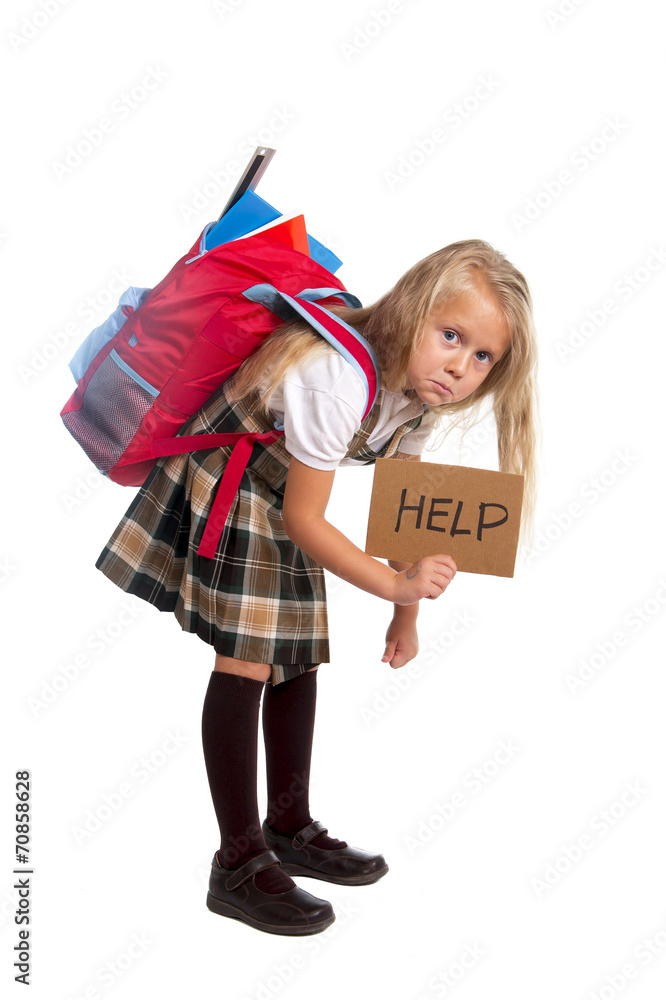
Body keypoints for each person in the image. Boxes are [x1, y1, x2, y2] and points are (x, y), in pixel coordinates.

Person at [95, 238, 538, 936]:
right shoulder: (339, 379)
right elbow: (307, 521)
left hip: (281, 492)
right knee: (248, 658)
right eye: (451, 336)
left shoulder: (418, 401)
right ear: (412, 311)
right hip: (232, 480)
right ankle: (237, 863)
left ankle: (289, 825)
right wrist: (394, 587)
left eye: (483, 356)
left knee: (298, 654)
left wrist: (406, 614)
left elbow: (403, 506)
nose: (461, 367)